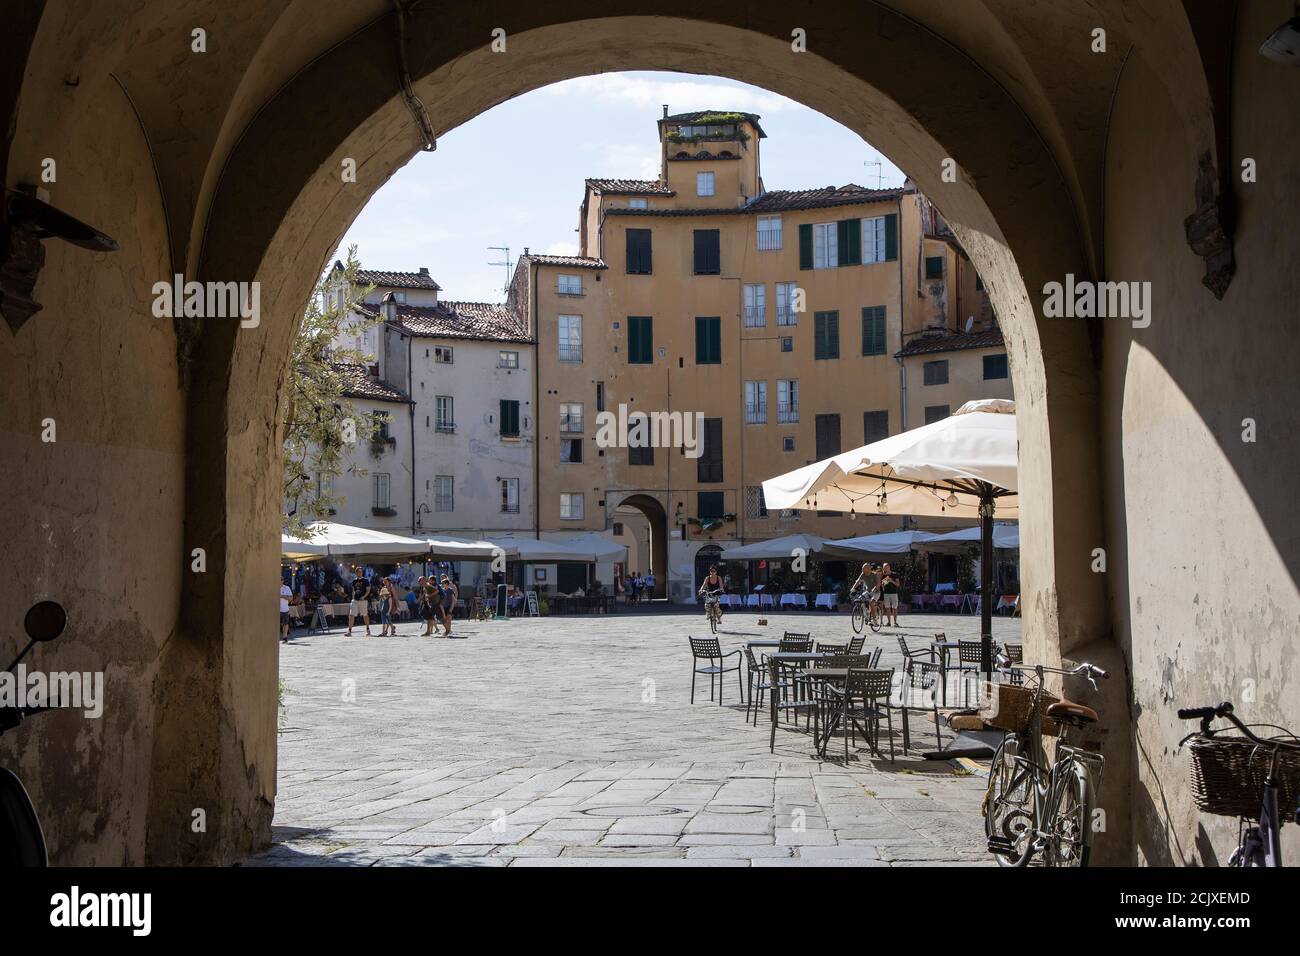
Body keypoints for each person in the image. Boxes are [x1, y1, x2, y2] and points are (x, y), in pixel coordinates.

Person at [346, 570, 371, 637]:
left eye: (360, 572)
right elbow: (353, 590)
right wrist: (352, 598)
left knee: (365, 615)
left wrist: (364, 596)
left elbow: (368, 590)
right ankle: (349, 630)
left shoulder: (365, 580)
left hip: (363, 601)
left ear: (362, 573)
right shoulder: (354, 581)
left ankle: (368, 629)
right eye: (358, 572)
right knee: (351, 614)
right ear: (356, 573)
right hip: (355, 600)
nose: (359, 573)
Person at [880, 563, 901, 628]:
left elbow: (898, 584)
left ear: (889, 567)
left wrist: (892, 581)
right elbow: (882, 585)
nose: (885, 568)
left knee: (895, 608)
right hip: (886, 593)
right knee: (887, 608)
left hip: (894, 593)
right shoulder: (883, 575)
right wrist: (886, 581)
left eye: (886, 567)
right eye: (884, 567)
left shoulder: (894, 574)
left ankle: (895, 622)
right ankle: (889, 622)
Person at [279, 577, 293, 643]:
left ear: (283, 581)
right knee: (280, 624)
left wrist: (283, 596)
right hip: (277, 609)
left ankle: (285, 637)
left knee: (285, 623)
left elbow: (291, 598)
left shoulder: (287, 588)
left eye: (281, 580)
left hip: (285, 609)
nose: (280, 581)